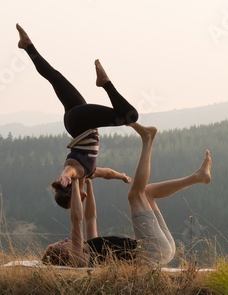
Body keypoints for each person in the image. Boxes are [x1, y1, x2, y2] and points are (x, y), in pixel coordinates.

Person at [41, 123, 212, 267]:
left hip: (161, 250)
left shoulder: (90, 246)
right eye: (61, 244)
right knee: (135, 194)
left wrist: (88, 182)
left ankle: (198, 177)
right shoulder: (79, 259)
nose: (64, 240)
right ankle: (147, 139)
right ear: (64, 256)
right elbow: (76, 220)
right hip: (152, 252)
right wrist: (77, 182)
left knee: (147, 192)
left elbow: (90, 218)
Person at [17, 24, 137, 208]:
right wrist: (122, 177)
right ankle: (27, 46)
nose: (83, 197)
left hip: (80, 124)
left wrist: (65, 175)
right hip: (77, 122)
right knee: (55, 77)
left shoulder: (77, 171)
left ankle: (105, 83)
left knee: (130, 116)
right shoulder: (89, 173)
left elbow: (70, 169)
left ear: (71, 193)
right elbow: (106, 173)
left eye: (78, 199)